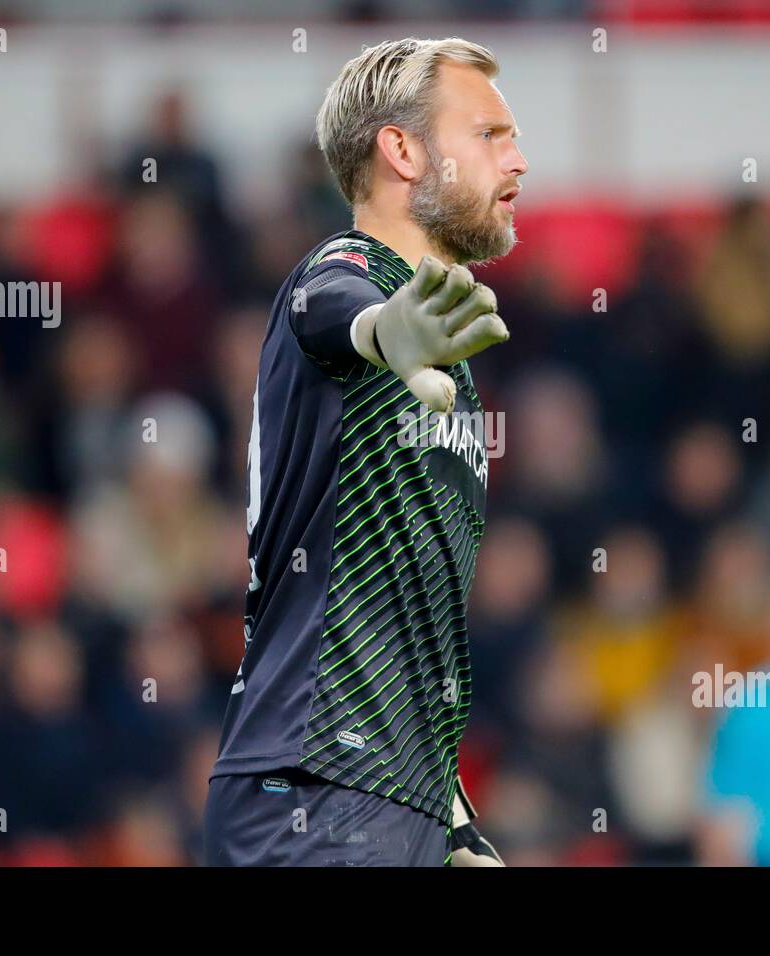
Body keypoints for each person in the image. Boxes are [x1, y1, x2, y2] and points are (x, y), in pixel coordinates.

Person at [204, 37, 528, 866]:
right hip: (314, 786)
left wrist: (452, 820)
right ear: (403, 149)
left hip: (391, 797)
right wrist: (385, 328)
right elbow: (329, 308)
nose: (518, 160)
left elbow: (411, 612)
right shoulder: (348, 268)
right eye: (490, 133)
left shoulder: (447, 363)